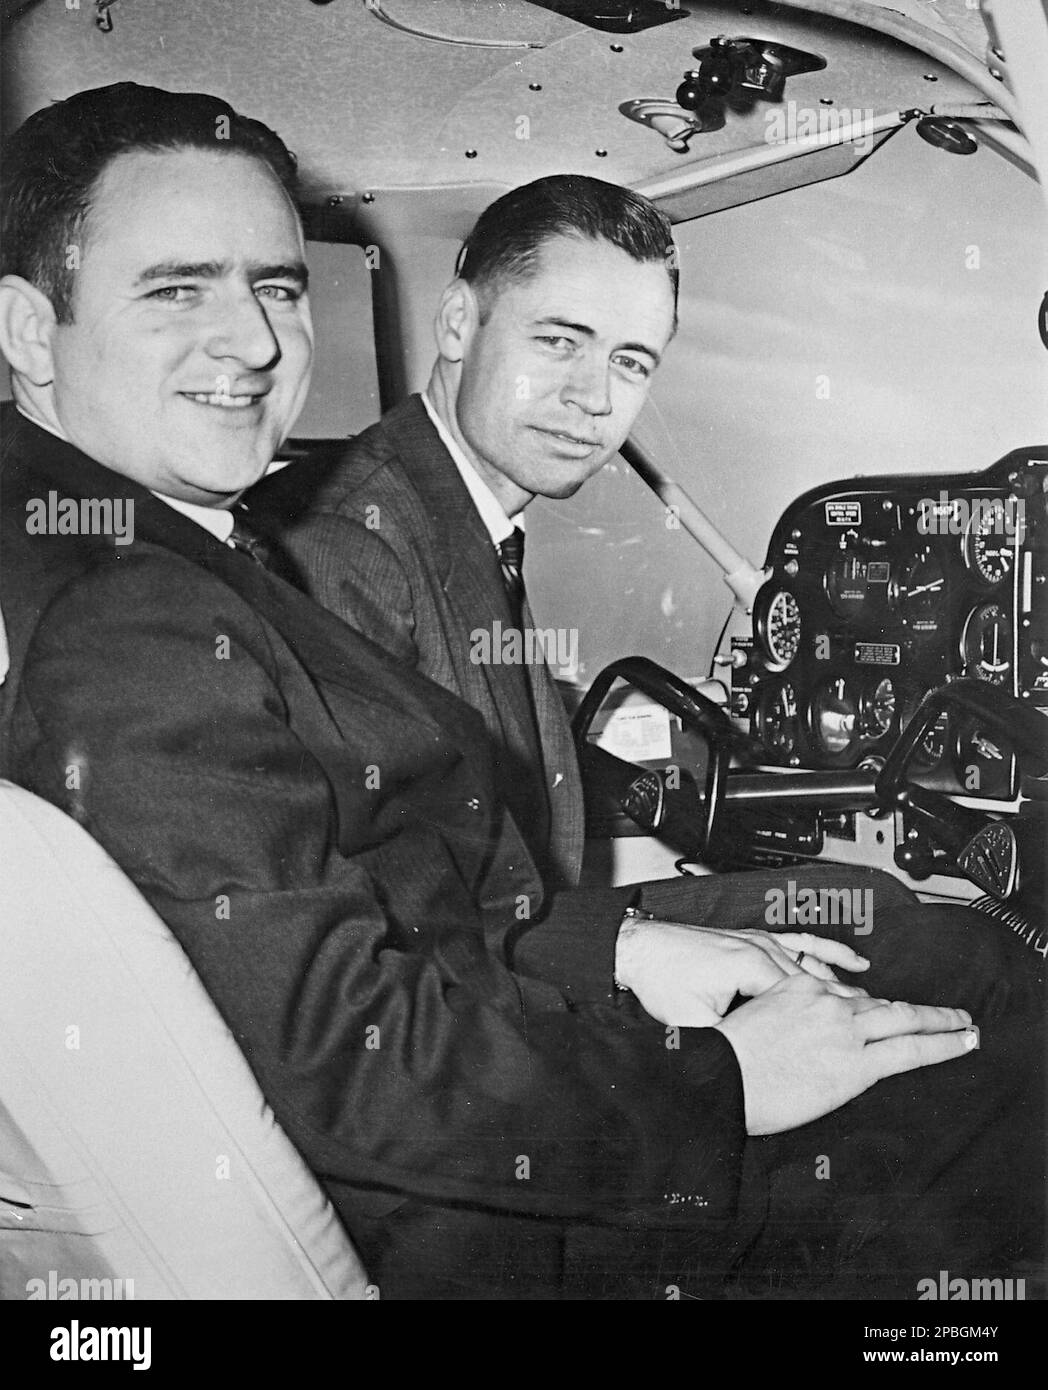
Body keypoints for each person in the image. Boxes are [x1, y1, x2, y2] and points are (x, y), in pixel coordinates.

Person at [0, 83, 1040, 1302]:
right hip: (479, 1222)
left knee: (922, 962)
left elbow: (402, 901)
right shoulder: (126, 614)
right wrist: (721, 1078)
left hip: (471, 1098)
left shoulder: (137, 550)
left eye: (276, 287)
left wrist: (634, 942)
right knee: (981, 1075)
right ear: (28, 330)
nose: (256, 344)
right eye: (178, 289)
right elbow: (354, 1060)